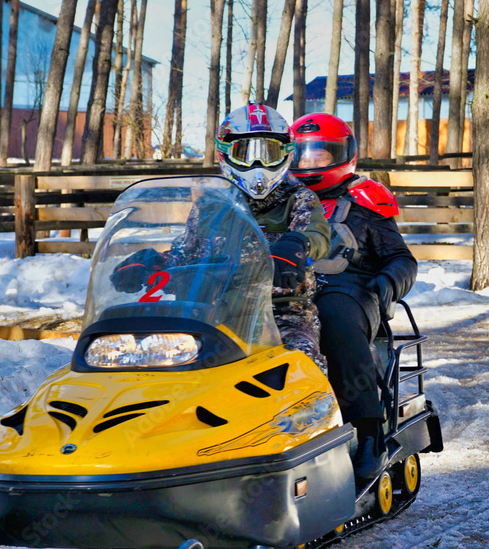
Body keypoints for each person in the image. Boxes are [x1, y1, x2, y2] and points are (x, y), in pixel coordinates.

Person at [114, 104, 330, 370]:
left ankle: (313, 411)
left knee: (302, 365)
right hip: (210, 313)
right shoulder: (211, 205)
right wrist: (151, 262)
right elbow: (186, 251)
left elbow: (316, 234)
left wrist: (296, 245)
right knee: (156, 364)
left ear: (285, 153)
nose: (257, 164)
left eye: (268, 153)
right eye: (245, 153)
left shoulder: (298, 198)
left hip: (282, 313)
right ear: (225, 154)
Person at [290, 111, 418, 488]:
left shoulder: (364, 199)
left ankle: (367, 429)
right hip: (286, 291)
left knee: (333, 316)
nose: (310, 163)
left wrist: (384, 286)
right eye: (303, 155)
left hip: (349, 289)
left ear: (342, 155)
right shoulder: (283, 200)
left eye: (321, 155)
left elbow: (401, 259)